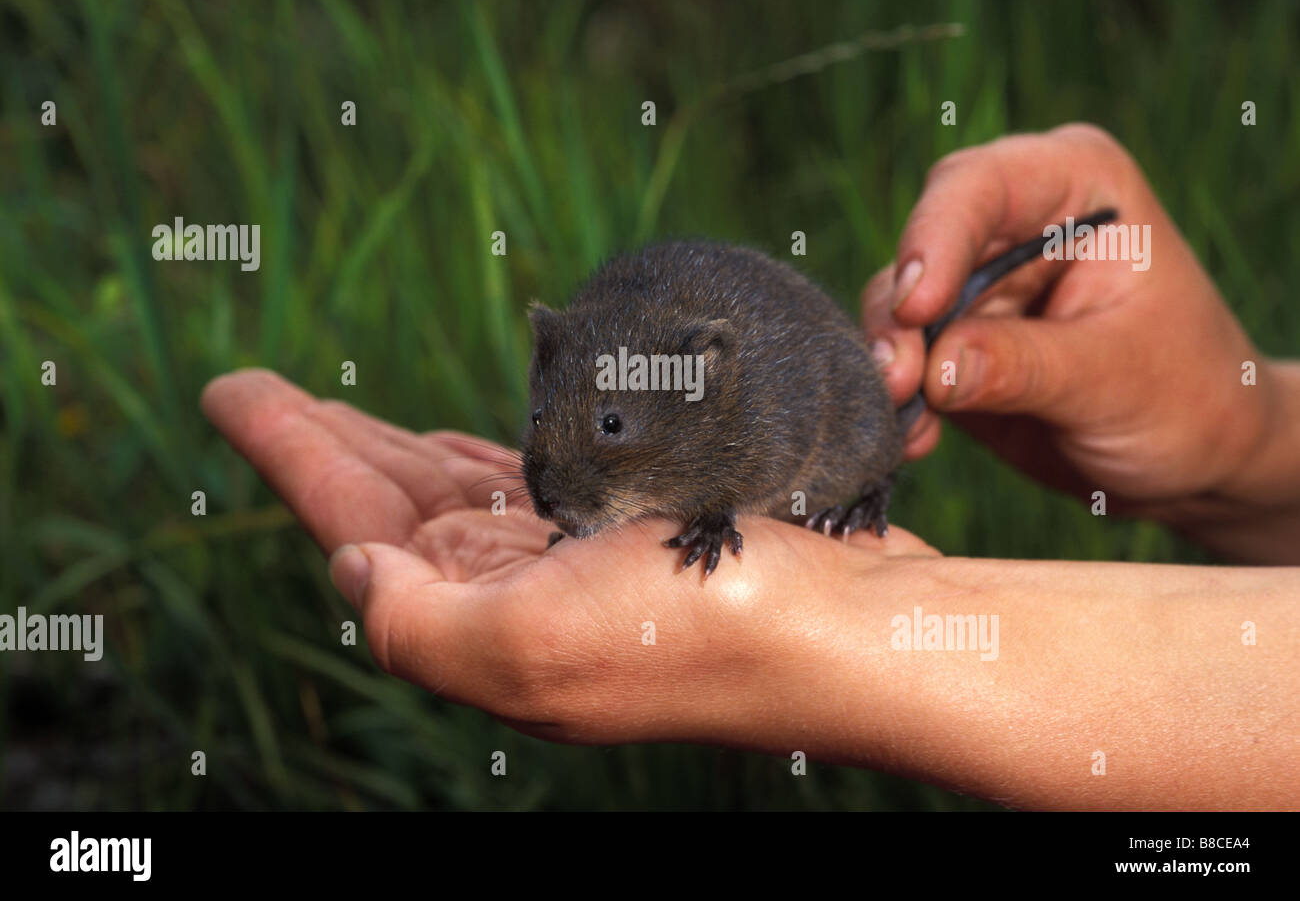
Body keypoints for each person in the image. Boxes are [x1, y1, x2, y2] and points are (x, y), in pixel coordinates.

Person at [201, 124, 1299, 810]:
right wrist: (1254, 454)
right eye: (548, 424)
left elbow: (764, 449)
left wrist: (825, 597)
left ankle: (867, 490)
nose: (549, 472)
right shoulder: (595, 381)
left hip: (829, 437)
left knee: (852, 440)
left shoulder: (735, 413)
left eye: (607, 440)